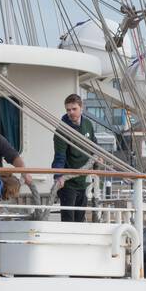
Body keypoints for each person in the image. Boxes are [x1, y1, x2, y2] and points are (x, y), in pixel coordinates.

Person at [52, 93, 99, 223]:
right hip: (68, 184)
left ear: (81, 108)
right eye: (68, 110)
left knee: (80, 220)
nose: (71, 112)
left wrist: (97, 165)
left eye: (74, 109)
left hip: (82, 181)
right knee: (68, 221)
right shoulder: (62, 130)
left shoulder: (88, 124)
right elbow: (59, 156)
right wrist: (58, 176)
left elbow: (94, 146)